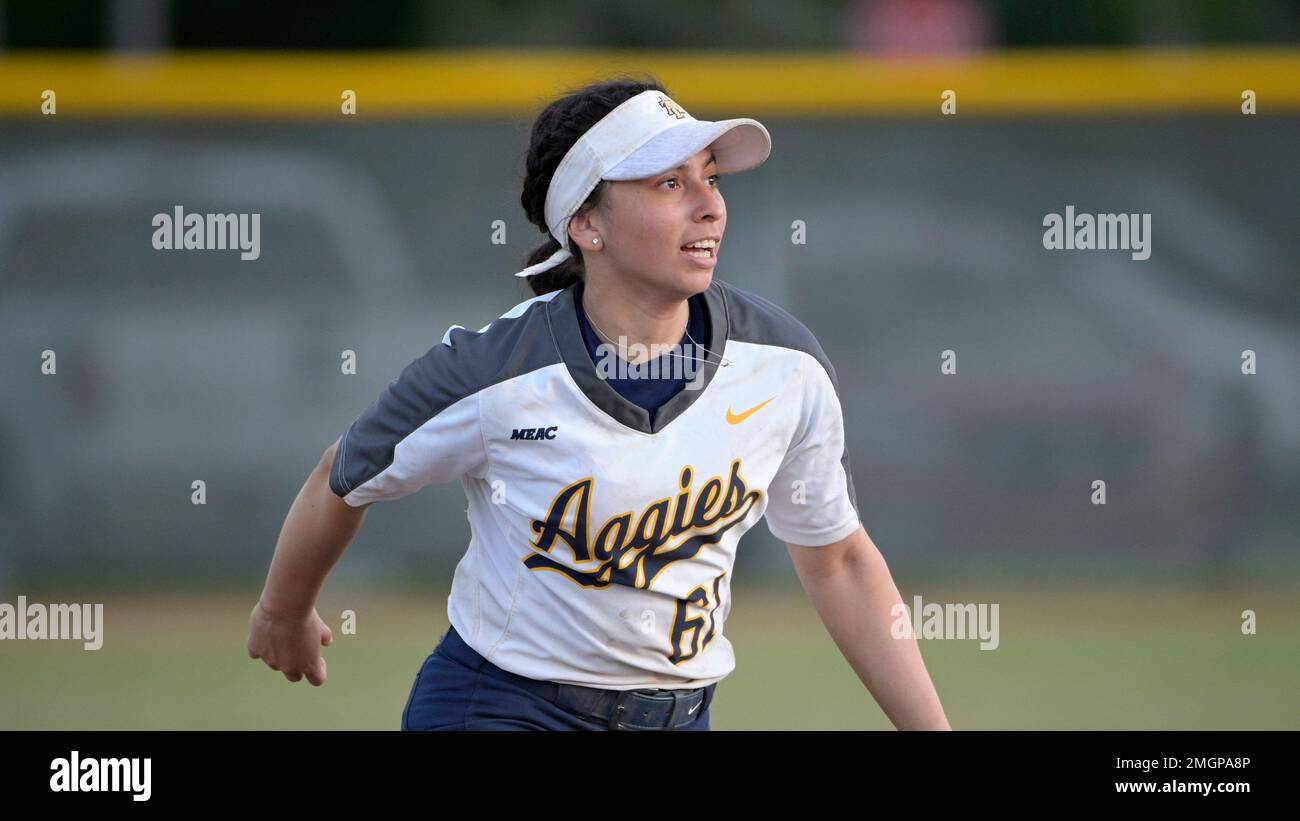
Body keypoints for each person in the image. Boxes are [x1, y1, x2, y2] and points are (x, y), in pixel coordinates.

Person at [247, 76, 950, 731]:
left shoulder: (784, 368)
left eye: (709, 176)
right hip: (500, 703)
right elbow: (344, 475)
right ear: (587, 223)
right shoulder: (494, 372)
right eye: (670, 181)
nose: (708, 202)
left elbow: (840, 562)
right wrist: (285, 608)